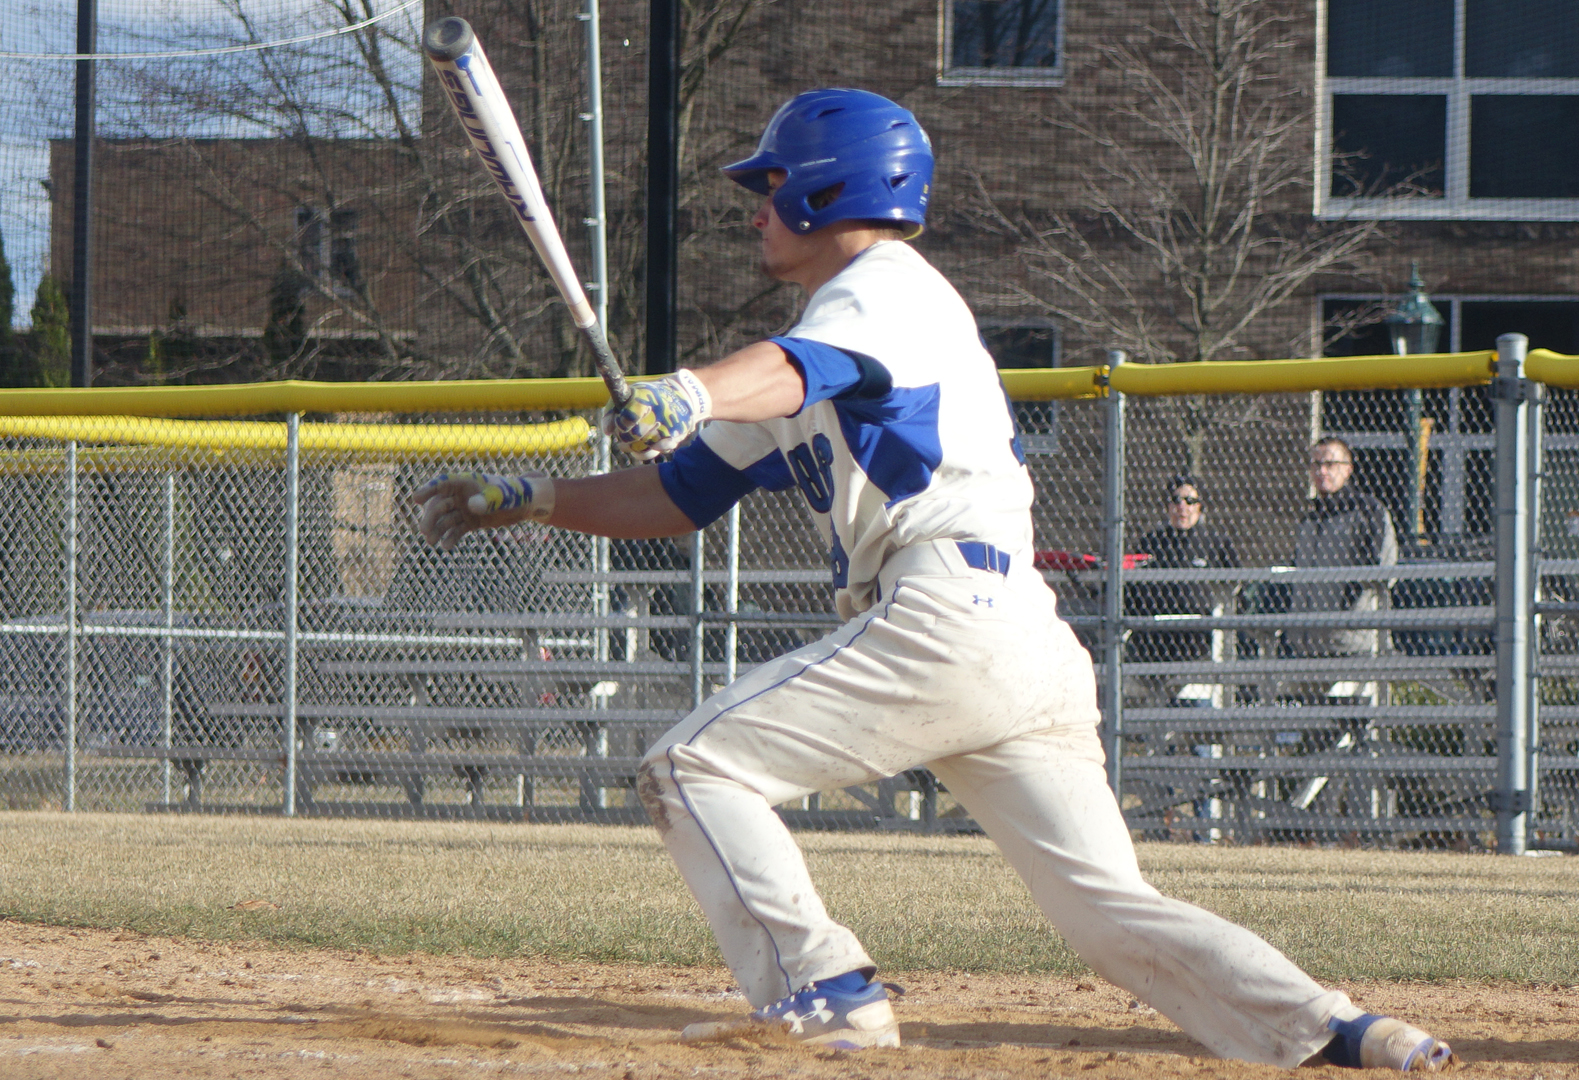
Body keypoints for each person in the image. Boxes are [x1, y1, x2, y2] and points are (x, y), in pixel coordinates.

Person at [410, 88, 1448, 1071]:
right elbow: (676, 495)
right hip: (1011, 637)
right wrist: (537, 497)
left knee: (689, 769)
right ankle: (1340, 1030)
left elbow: (802, 372)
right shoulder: (825, 328)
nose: (759, 210)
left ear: (829, 191)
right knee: (1107, 911)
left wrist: (685, 388)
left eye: (774, 187)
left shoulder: (885, 291)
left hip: (944, 611)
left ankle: (826, 993)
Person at [1287, 436, 1399, 699]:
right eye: (1316, 464)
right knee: (1314, 729)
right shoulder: (1310, 518)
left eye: (1330, 464)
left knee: (1350, 722)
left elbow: (1381, 571)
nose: (1322, 471)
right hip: (1307, 645)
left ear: (1348, 468)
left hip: (1351, 644)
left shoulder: (1367, 512)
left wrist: (1347, 610)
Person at [1126, 476, 1238, 672]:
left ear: (1200, 506)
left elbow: (1236, 582)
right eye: (1176, 500)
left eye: (1190, 501)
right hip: (1155, 633)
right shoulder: (1152, 541)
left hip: (1196, 634)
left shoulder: (1215, 542)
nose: (1182, 507)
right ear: (1168, 506)